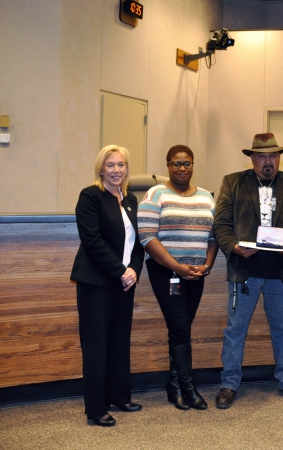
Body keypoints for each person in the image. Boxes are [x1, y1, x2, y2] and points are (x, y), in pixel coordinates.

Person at [212, 133, 283, 408]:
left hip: (280, 272)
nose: (268, 161)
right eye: (262, 156)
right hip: (244, 270)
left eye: (273, 155)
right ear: (252, 158)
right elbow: (220, 224)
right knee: (235, 330)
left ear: (279, 157)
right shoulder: (233, 182)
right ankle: (229, 383)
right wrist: (234, 247)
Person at [138, 145, 218, 410]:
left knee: (180, 329)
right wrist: (178, 267)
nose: (182, 168)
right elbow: (147, 236)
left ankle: (174, 385)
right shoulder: (155, 194)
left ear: (193, 165)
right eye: (176, 164)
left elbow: (213, 237)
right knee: (181, 328)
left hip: (196, 274)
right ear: (167, 166)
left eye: (187, 163)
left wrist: (206, 266)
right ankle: (188, 385)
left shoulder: (207, 197)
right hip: (166, 273)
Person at [70, 145, 144, 427]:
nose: (116, 170)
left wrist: (134, 270)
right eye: (110, 165)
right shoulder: (90, 196)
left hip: (124, 282)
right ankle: (96, 408)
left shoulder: (130, 199)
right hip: (97, 282)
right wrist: (121, 272)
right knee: (96, 345)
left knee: (118, 341)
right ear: (101, 169)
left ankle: (119, 396)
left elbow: (139, 241)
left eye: (121, 165)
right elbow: (93, 242)